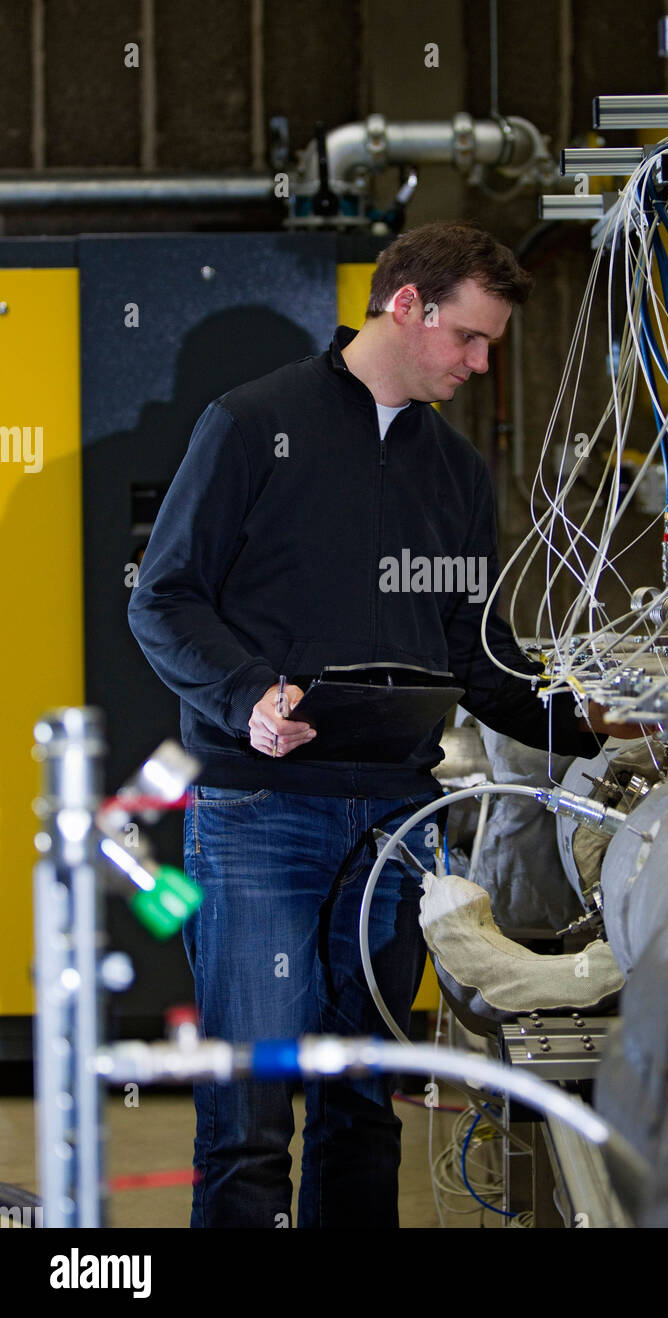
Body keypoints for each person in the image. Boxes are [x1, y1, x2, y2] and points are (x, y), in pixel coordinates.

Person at [128, 220, 634, 1229]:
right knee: (249, 1110)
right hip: (260, 808)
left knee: (364, 1103)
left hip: (396, 823)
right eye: (470, 339)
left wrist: (584, 724)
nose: (481, 364)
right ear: (406, 307)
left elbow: (472, 651)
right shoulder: (248, 425)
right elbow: (164, 599)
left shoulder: (451, 473)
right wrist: (247, 699)